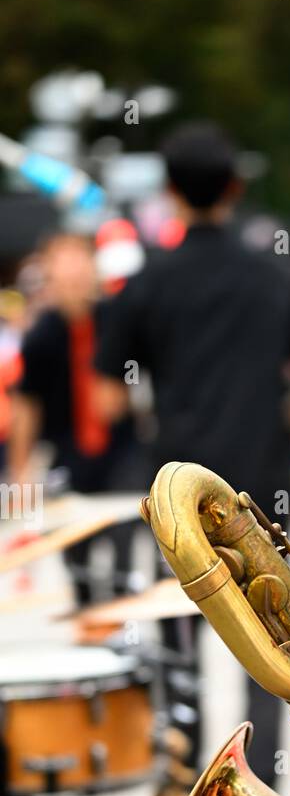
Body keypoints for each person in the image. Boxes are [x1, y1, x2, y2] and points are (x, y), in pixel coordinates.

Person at [93, 121, 290, 787]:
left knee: (179, 635)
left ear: (169, 191)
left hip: (176, 495)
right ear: (234, 188)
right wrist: (275, 418)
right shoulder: (274, 277)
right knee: (272, 643)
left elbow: (109, 400)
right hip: (260, 494)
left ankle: (184, 775)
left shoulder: (145, 284)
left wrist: (161, 410)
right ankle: (260, 785)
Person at [8, 234, 140, 605]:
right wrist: (20, 474)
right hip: (70, 452)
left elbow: (133, 384)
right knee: (74, 549)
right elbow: (27, 407)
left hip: (120, 451)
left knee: (122, 541)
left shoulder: (115, 321)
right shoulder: (41, 336)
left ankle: (121, 615)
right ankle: (89, 613)